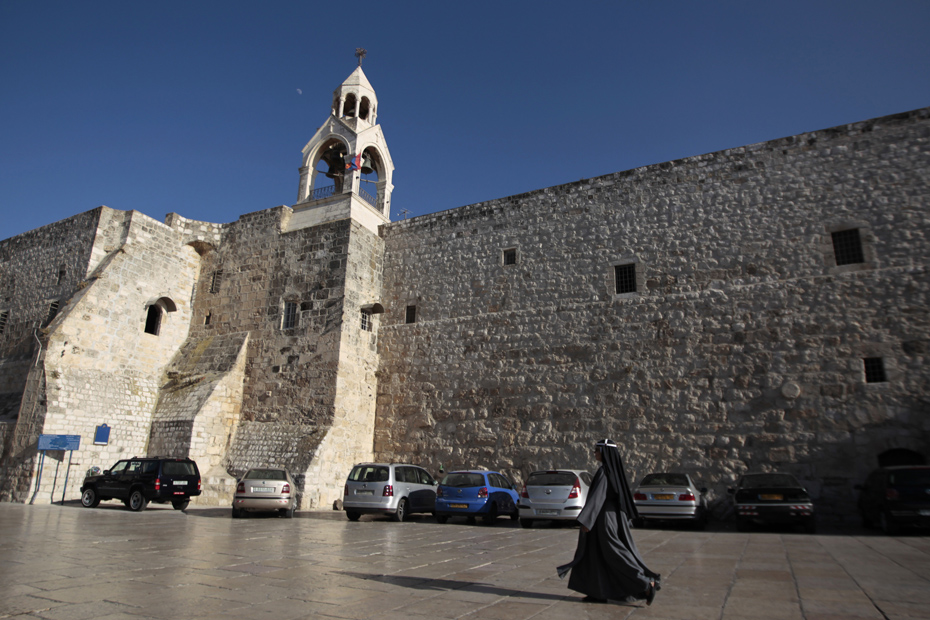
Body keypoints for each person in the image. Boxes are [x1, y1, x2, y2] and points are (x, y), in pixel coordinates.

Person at [557, 438, 661, 605]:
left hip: (604, 519)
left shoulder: (605, 472)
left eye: (597, 450)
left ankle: (645, 583)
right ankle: (597, 592)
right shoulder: (612, 471)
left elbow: (598, 497)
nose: (594, 453)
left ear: (605, 452)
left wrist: (586, 520)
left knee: (614, 552)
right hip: (607, 517)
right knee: (596, 554)